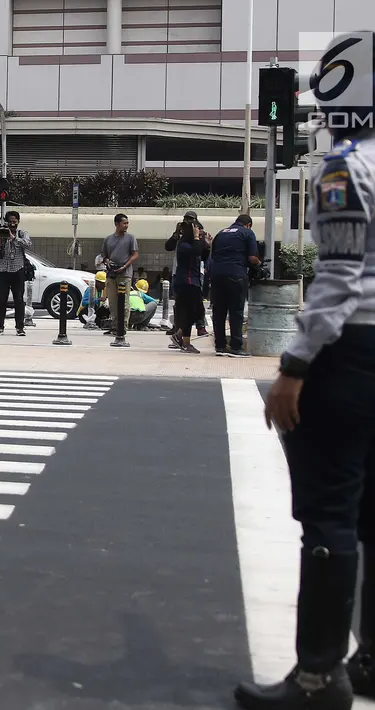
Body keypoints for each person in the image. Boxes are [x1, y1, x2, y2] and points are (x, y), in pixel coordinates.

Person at [235, 30, 375, 710]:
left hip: (349, 352)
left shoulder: (345, 168)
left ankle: (318, 678)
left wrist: (293, 365)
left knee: (328, 514)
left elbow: (340, 279)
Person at [209, 214, 261, 357]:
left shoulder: (221, 233)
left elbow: (213, 257)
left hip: (217, 275)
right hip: (236, 275)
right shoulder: (248, 233)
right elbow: (252, 258)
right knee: (236, 312)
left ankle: (220, 346)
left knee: (219, 312)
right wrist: (259, 263)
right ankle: (236, 347)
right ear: (248, 225)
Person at [169, 219, 210, 353]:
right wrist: (197, 238)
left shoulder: (194, 244)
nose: (200, 235)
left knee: (197, 312)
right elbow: (196, 251)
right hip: (186, 282)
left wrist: (207, 245)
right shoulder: (183, 245)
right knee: (190, 312)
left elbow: (203, 256)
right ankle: (184, 340)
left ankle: (180, 337)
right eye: (198, 232)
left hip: (194, 281)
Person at [0, 211, 31, 336]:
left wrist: (13, 237)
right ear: (6, 222)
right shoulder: (1, 234)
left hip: (17, 271)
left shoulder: (21, 233)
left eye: (15, 222)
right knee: (1, 300)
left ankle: (20, 328)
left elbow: (28, 244)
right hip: (3, 271)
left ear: (18, 222)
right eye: (10, 222)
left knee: (18, 300)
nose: (12, 224)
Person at [100, 213, 139, 334]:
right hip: (111, 274)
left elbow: (135, 255)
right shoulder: (108, 239)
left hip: (125, 274)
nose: (126, 225)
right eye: (124, 223)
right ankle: (114, 326)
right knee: (112, 302)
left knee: (124, 302)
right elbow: (103, 255)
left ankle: (123, 328)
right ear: (117, 224)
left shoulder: (131, 238)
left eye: (127, 223)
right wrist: (108, 262)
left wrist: (124, 266)